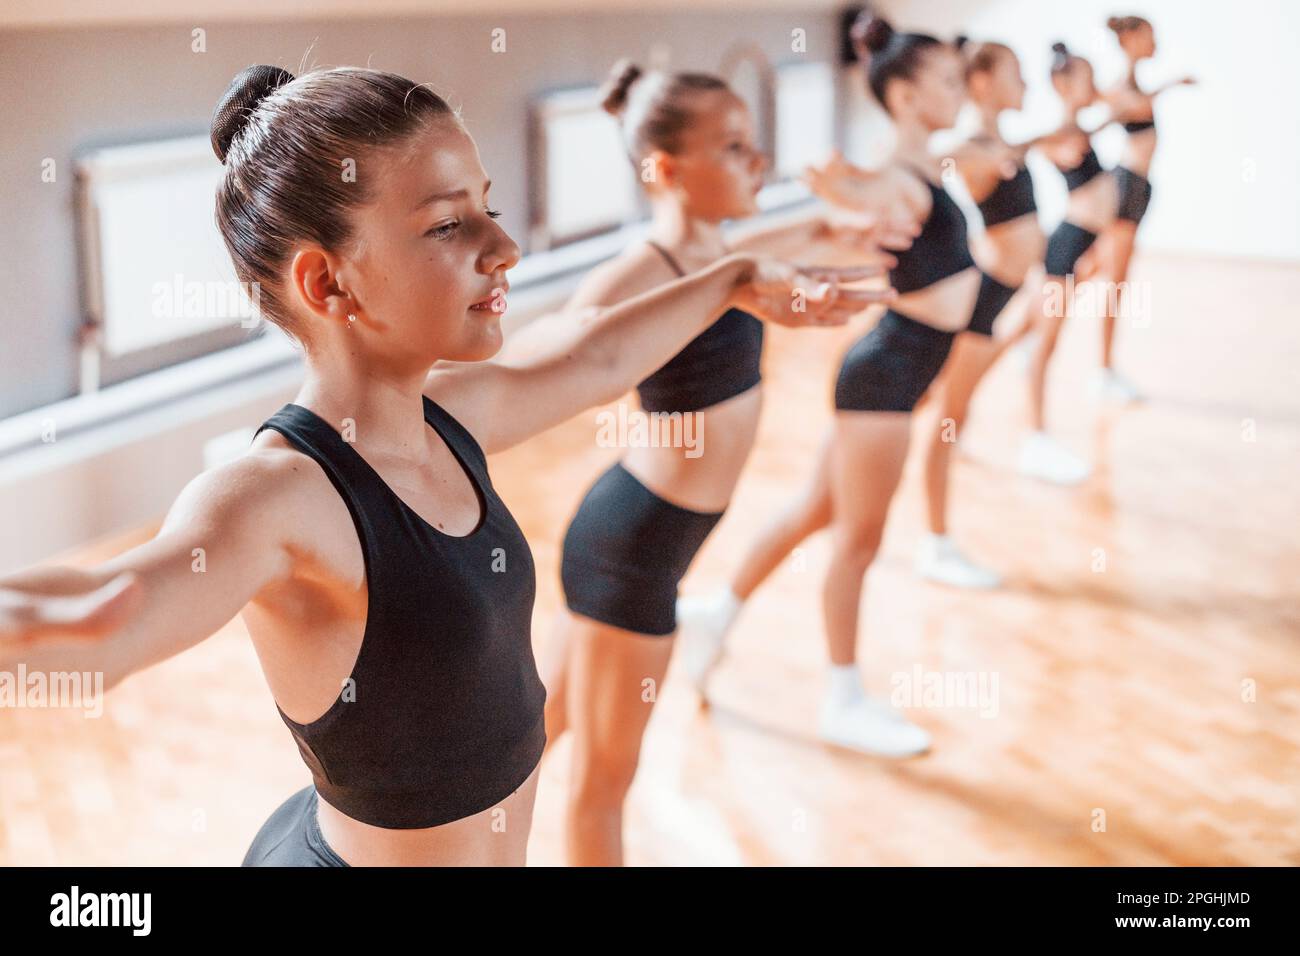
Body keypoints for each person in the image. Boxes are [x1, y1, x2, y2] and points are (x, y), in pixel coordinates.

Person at [0, 64, 880, 867]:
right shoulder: (278, 496)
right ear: (328, 285)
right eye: (450, 224)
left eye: (487, 206)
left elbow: (596, 358)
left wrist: (733, 281)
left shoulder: (453, 415)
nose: (504, 247)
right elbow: (115, 617)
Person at [538, 59, 901, 867]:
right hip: (630, 551)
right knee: (601, 787)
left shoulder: (723, 250)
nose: (756, 161)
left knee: (534, 740)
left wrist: (846, 230)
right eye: (733, 147)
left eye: (753, 142)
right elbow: (547, 362)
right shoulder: (641, 272)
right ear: (665, 170)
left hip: (648, 541)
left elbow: (784, 245)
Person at [678, 12, 979, 758]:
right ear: (905, 96)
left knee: (816, 509)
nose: (959, 90)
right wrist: (843, 186)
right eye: (945, 80)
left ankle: (716, 611)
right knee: (858, 540)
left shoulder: (921, 167)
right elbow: (865, 187)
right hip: (886, 377)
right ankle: (842, 697)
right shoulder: (897, 178)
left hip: (894, 371)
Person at [1094, 14, 1195, 401]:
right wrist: (1171, 85)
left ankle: (1028, 335)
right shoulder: (1123, 86)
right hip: (1125, 187)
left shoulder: (1133, 83)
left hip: (1138, 187)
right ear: (1131, 39)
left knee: (1089, 271)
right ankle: (1103, 371)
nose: (1157, 44)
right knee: (1113, 281)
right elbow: (1127, 106)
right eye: (1150, 37)